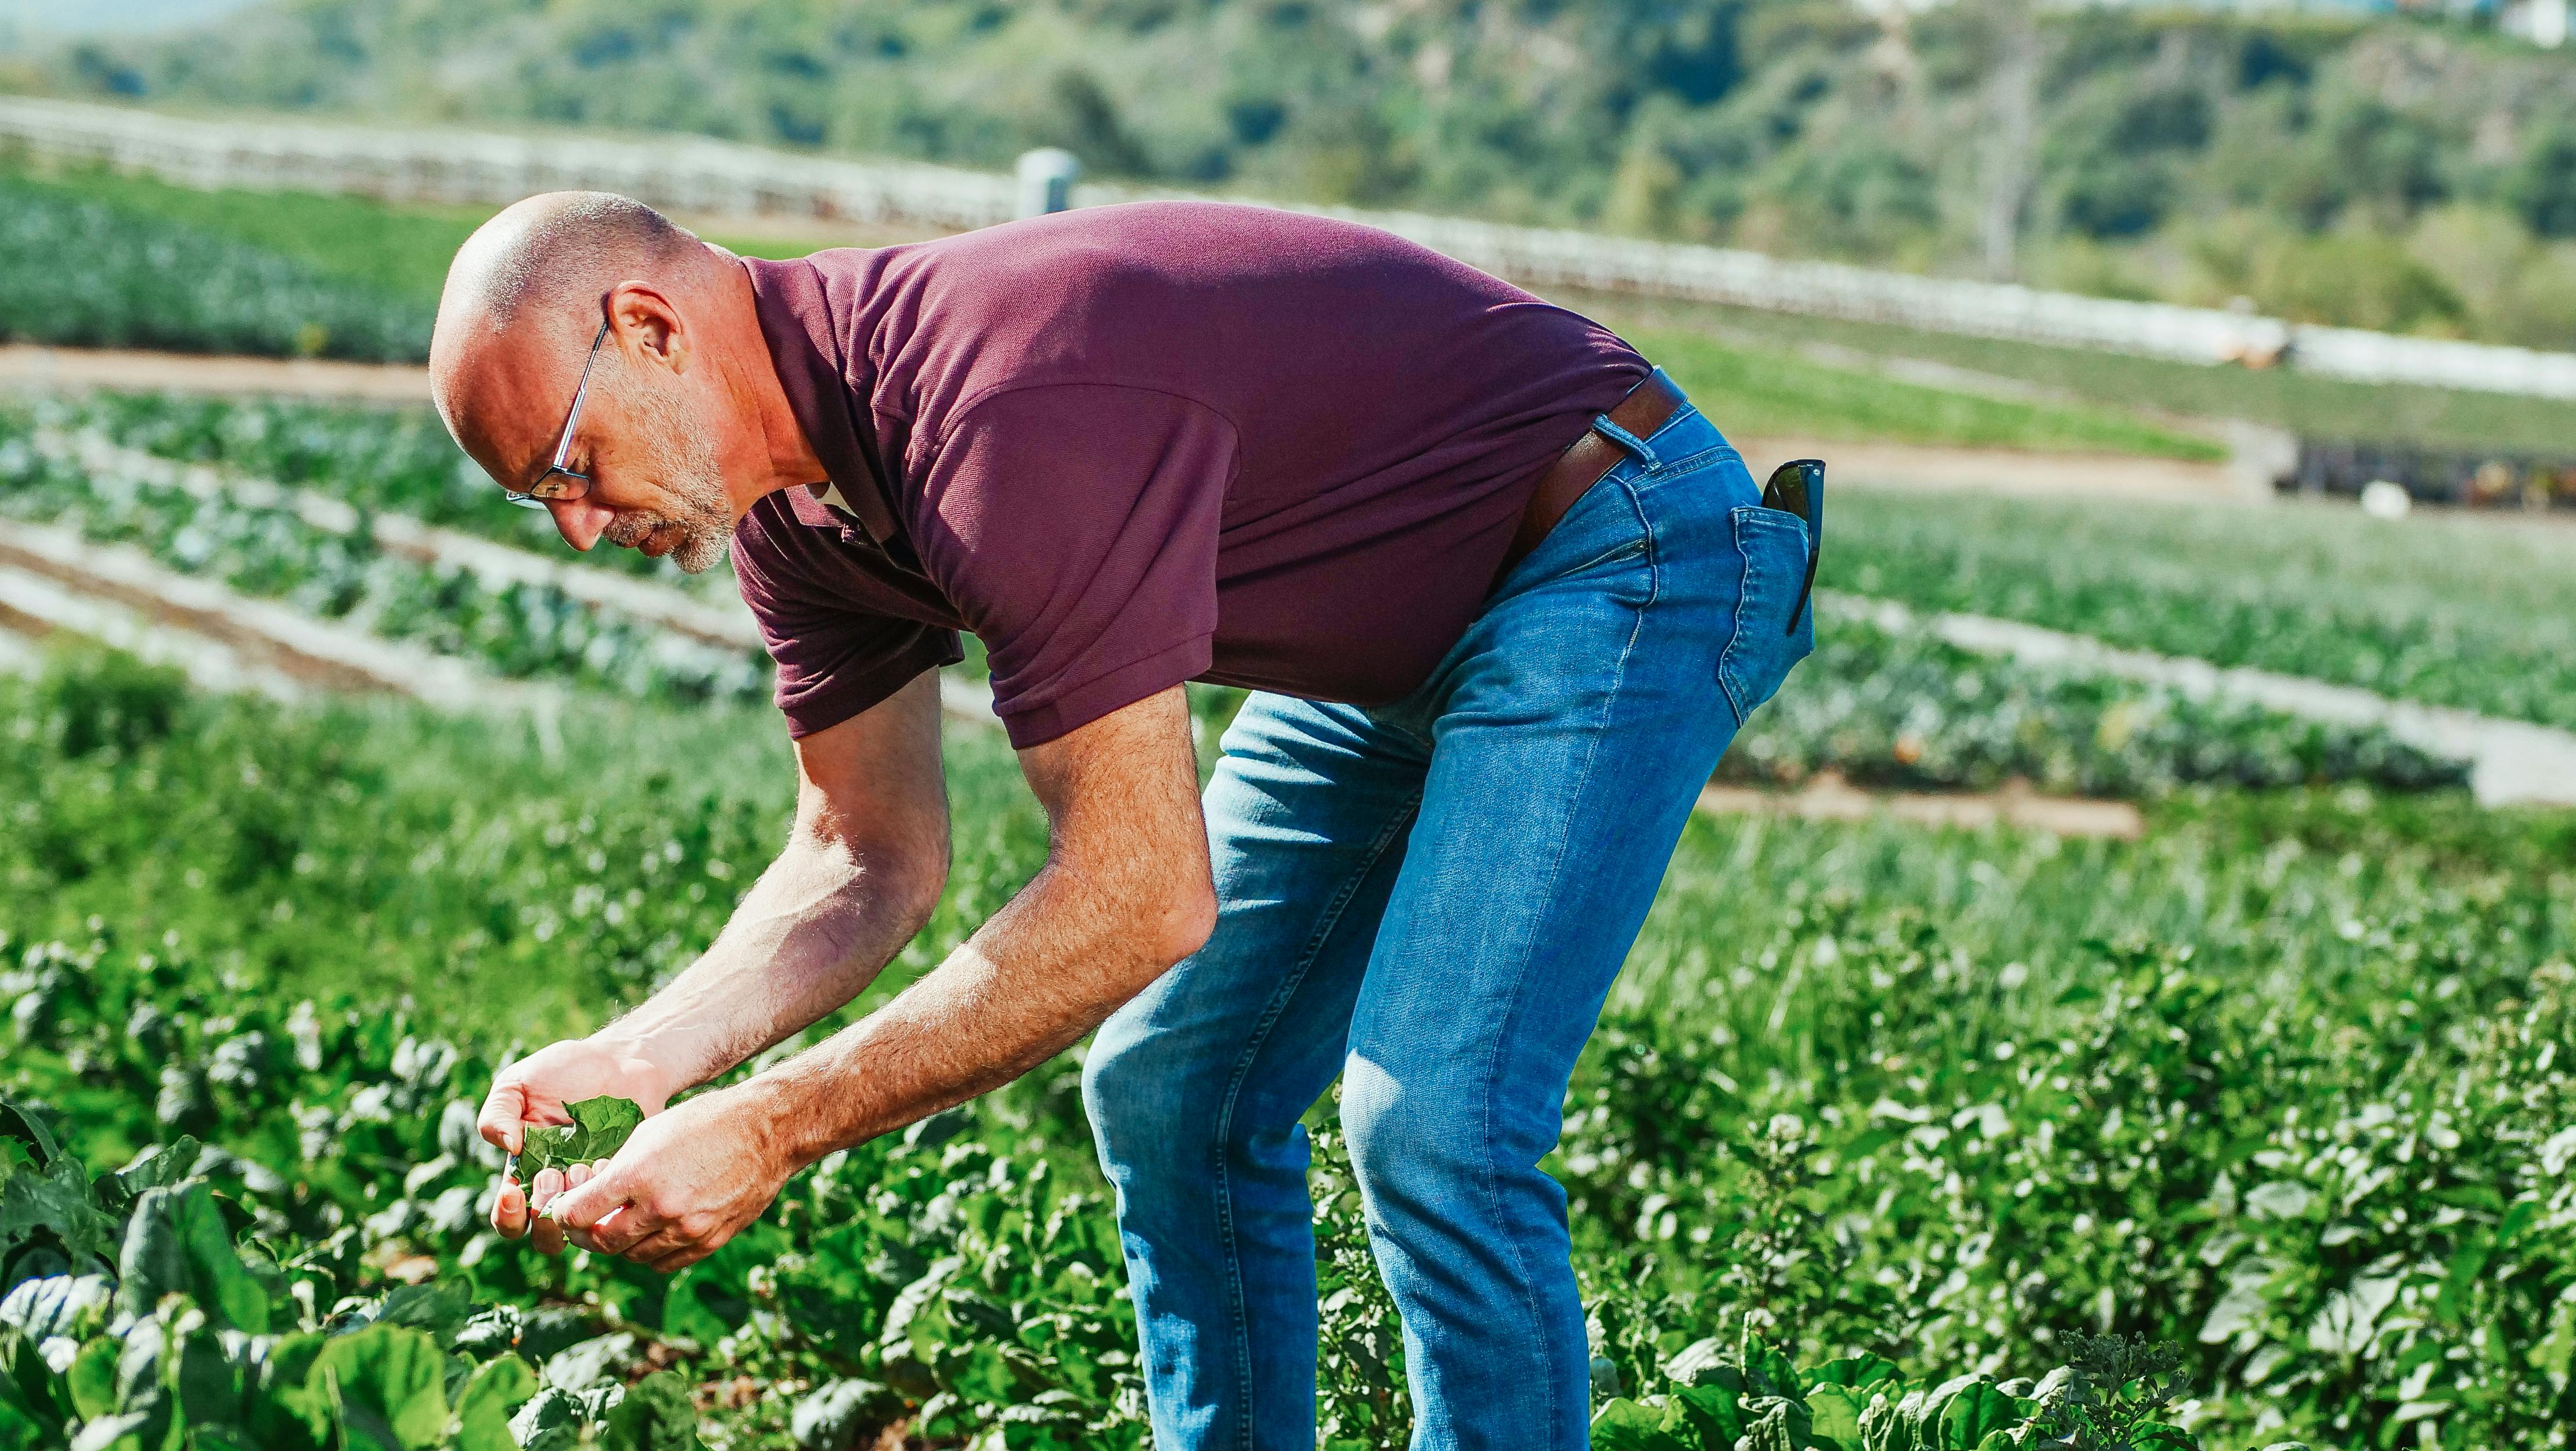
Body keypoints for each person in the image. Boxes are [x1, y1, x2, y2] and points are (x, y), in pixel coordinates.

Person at [432, 189, 1816, 1451]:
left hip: (1605, 543)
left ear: (648, 326)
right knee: (1166, 1081)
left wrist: (774, 1125)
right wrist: (644, 1057)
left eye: (565, 465)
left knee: (1431, 1118)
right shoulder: (791, 516)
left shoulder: (994, 411)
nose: (574, 527)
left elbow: (1141, 896)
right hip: (1375, 642)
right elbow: (861, 852)